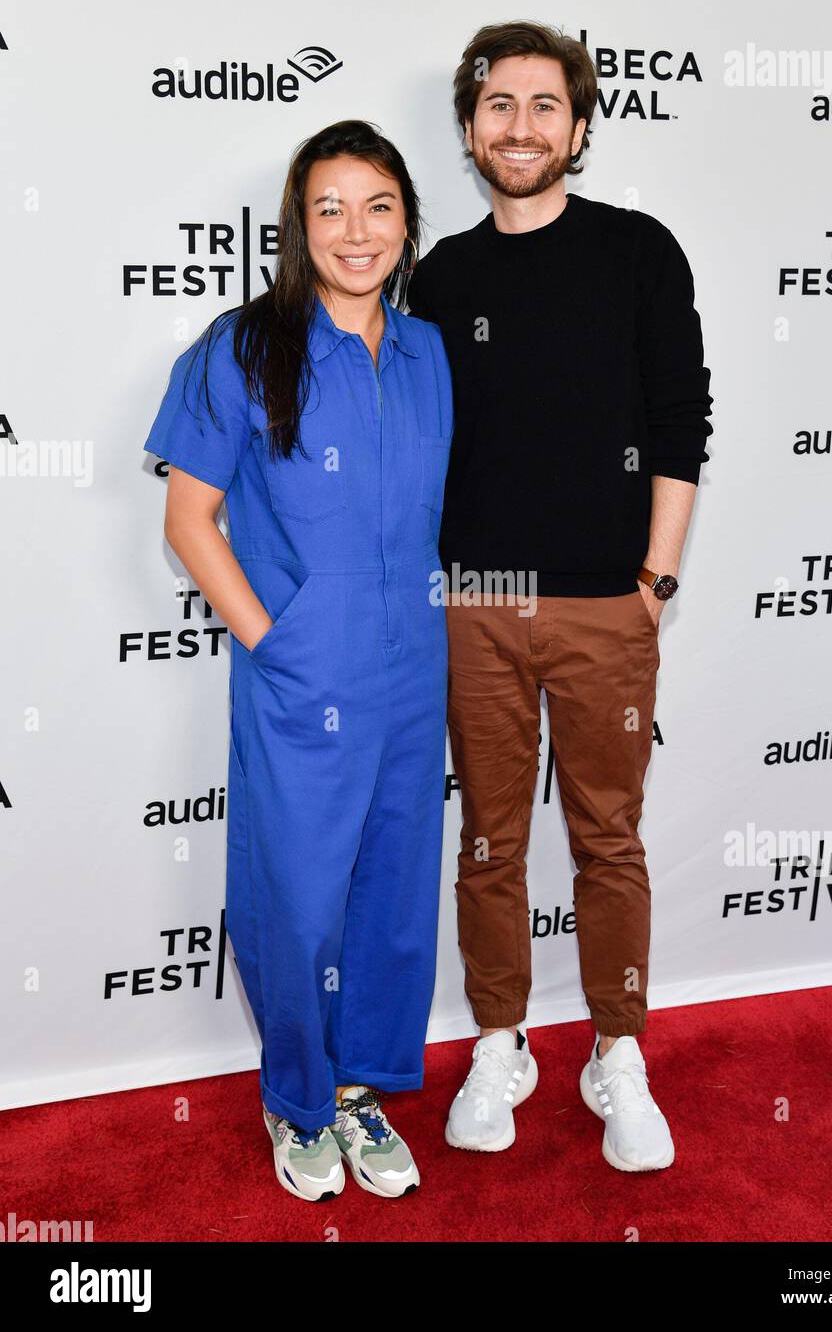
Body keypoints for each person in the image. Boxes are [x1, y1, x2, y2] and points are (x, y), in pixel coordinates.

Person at [406, 21, 713, 1172]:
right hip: (476, 601)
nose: (520, 125)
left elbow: (682, 422)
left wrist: (653, 584)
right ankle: (501, 1042)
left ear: (578, 127)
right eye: (499, 106)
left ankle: (616, 1052)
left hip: (605, 604)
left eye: (544, 105)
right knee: (489, 841)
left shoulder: (639, 251)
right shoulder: (439, 277)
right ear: (471, 129)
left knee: (608, 840)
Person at [143, 120, 453, 1201]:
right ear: (297, 224)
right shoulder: (240, 347)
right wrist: (276, 640)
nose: (355, 230)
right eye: (330, 208)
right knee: (300, 900)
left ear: (407, 221)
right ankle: (298, 1102)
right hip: (300, 680)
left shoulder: (427, 353)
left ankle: (361, 1093)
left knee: (391, 897)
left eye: (377, 206)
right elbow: (190, 520)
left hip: (414, 674)